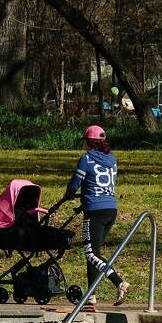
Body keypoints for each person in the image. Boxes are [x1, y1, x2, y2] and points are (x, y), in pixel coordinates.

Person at [64, 124, 130, 309]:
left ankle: (119, 282)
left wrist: (68, 194)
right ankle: (91, 295)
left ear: (89, 143)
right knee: (95, 254)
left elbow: (75, 183)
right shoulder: (112, 159)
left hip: (94, 212)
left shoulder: (86, 159)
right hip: (111, 209)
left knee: (91, 253)